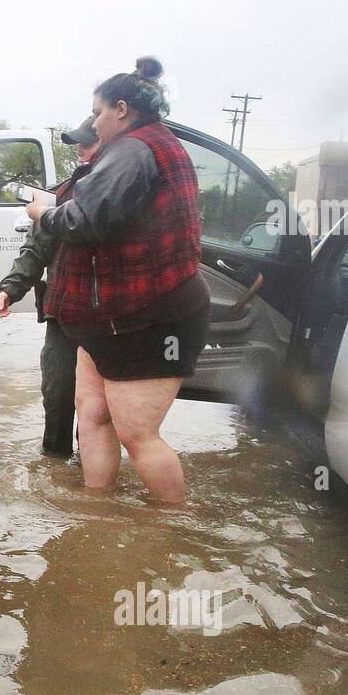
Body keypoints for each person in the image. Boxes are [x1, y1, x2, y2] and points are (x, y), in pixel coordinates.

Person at [32, 57, 209, 504]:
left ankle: (172, 527)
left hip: (147, 318)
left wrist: (43, 213)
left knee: (138, 434)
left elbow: (87, 221)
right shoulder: (143, 146)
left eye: (97, 112)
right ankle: (97, 513)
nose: (93, 122)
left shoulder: (133, 149)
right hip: (108, 320)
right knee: (91, 414)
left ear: (122, 109)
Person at [0, 117, 100, 456]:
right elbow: (35, 250)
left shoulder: (121, 199)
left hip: (106, 321)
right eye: (79, 143)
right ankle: (54, 474)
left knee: (96, 407)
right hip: (62, 317)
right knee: (56, 394)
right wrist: (10, 288)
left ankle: (92, 473)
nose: (81, 150)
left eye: (90, 143)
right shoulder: (60, 195)